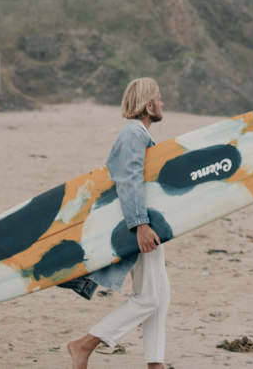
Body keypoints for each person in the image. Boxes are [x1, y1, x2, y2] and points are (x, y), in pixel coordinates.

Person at [67, 77, 170, 369]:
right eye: (158, 98)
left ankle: (155, 363)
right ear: (148, 104)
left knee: (160, 296)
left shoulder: (138, 134)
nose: (162, 103)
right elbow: (129, 180)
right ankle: (84, 345)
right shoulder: (133, 134)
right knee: (149, 298)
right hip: (138, 225)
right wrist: (140, 226)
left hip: (145, 223)